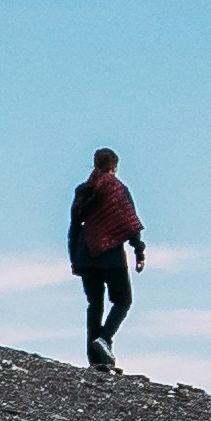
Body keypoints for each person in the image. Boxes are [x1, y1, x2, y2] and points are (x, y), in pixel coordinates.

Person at [68, 147, 146, 373]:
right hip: (111, 256)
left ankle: (96, 361)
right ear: (114, 167)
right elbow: (129, 224)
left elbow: (74, 227)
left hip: (86, 255)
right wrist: (139, 251)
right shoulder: (118, 190)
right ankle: (104, 339)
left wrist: (74, 257)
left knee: (95, 305)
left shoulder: (83, 190)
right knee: (123, 301)